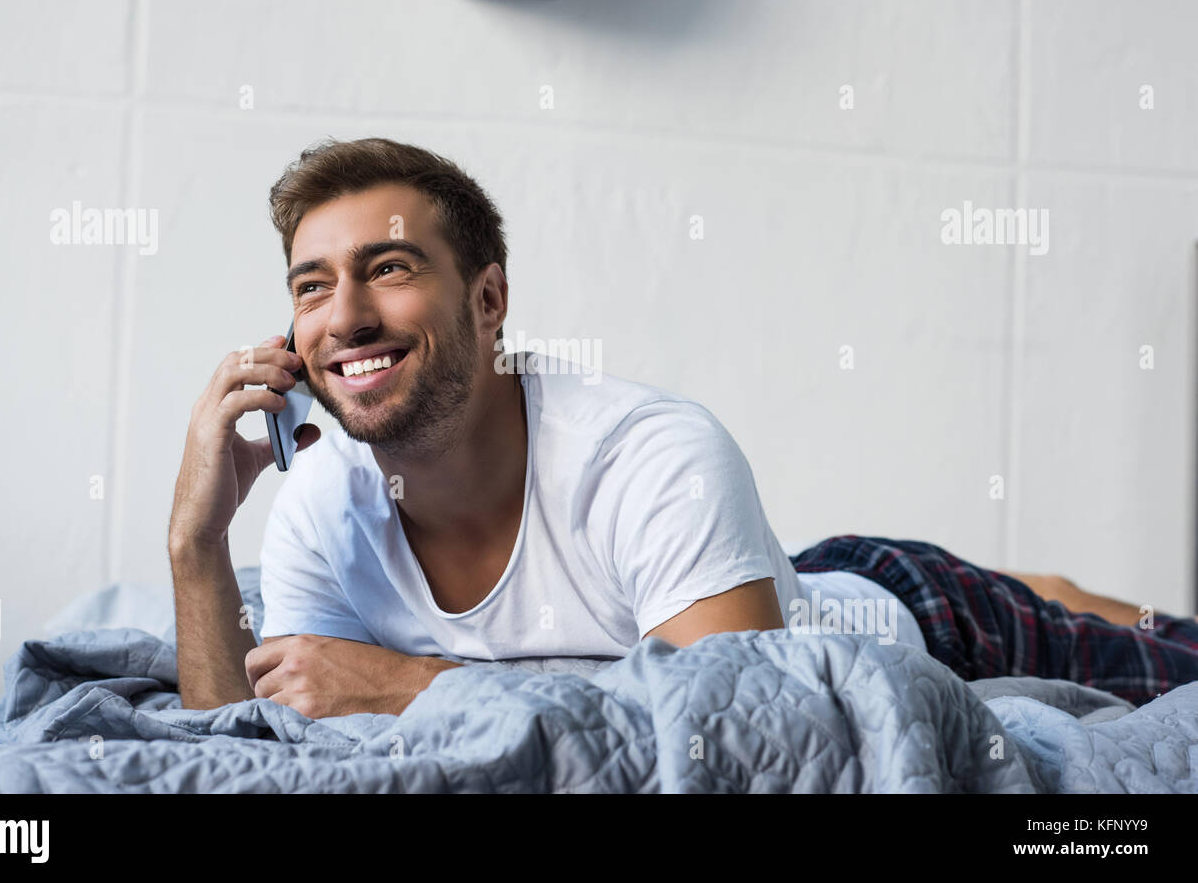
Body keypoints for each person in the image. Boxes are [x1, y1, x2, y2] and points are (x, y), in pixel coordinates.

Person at [168, 137, 1198, 719]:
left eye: (387, 269)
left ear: (488, 303)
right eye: (311, 286)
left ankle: (1051, 590)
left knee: (1126, 644)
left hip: (907, 616)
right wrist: (197, 544)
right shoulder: (317, 507)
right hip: (730, 588)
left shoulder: (649, 455)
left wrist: (408, 684)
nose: (343, 315)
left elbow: (740, 723)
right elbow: (235, 741)